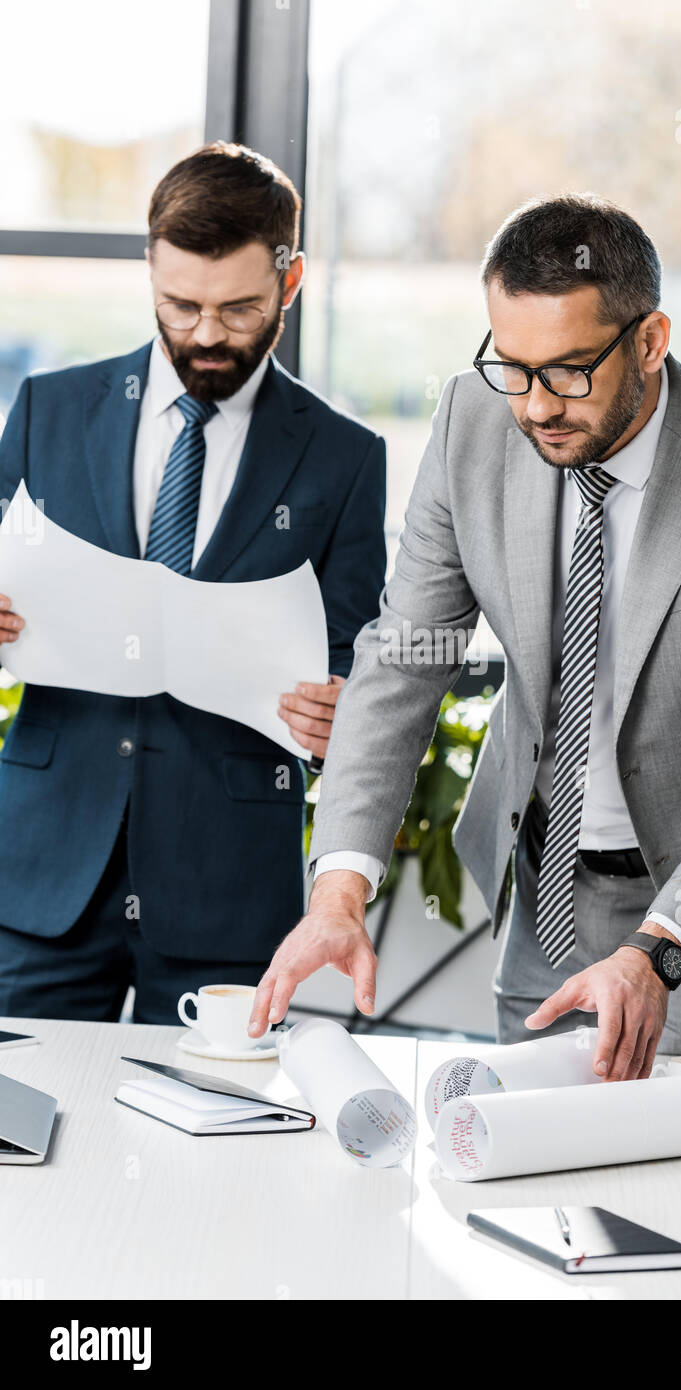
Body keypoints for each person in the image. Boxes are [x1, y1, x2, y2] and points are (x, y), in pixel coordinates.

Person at [248, 193, 681, 1080]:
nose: (534, 407)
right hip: (545, 887)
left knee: (668, 1194)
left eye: (569, 371)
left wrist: (660, 953)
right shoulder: (469, 424)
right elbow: (402, 657)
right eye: (512, 366)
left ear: (649, 342)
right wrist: (339, 887)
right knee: (518, 1167)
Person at [0, 142, 386, 1023]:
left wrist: (338, 708)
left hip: (228, 885)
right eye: (180, 305)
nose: (206, 333)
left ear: (290, 283)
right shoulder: (48, 409)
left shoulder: (344, 458)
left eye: (239, 308)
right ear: (148, 272)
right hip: (43, 869)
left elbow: (356, 655)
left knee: (222, 1134)